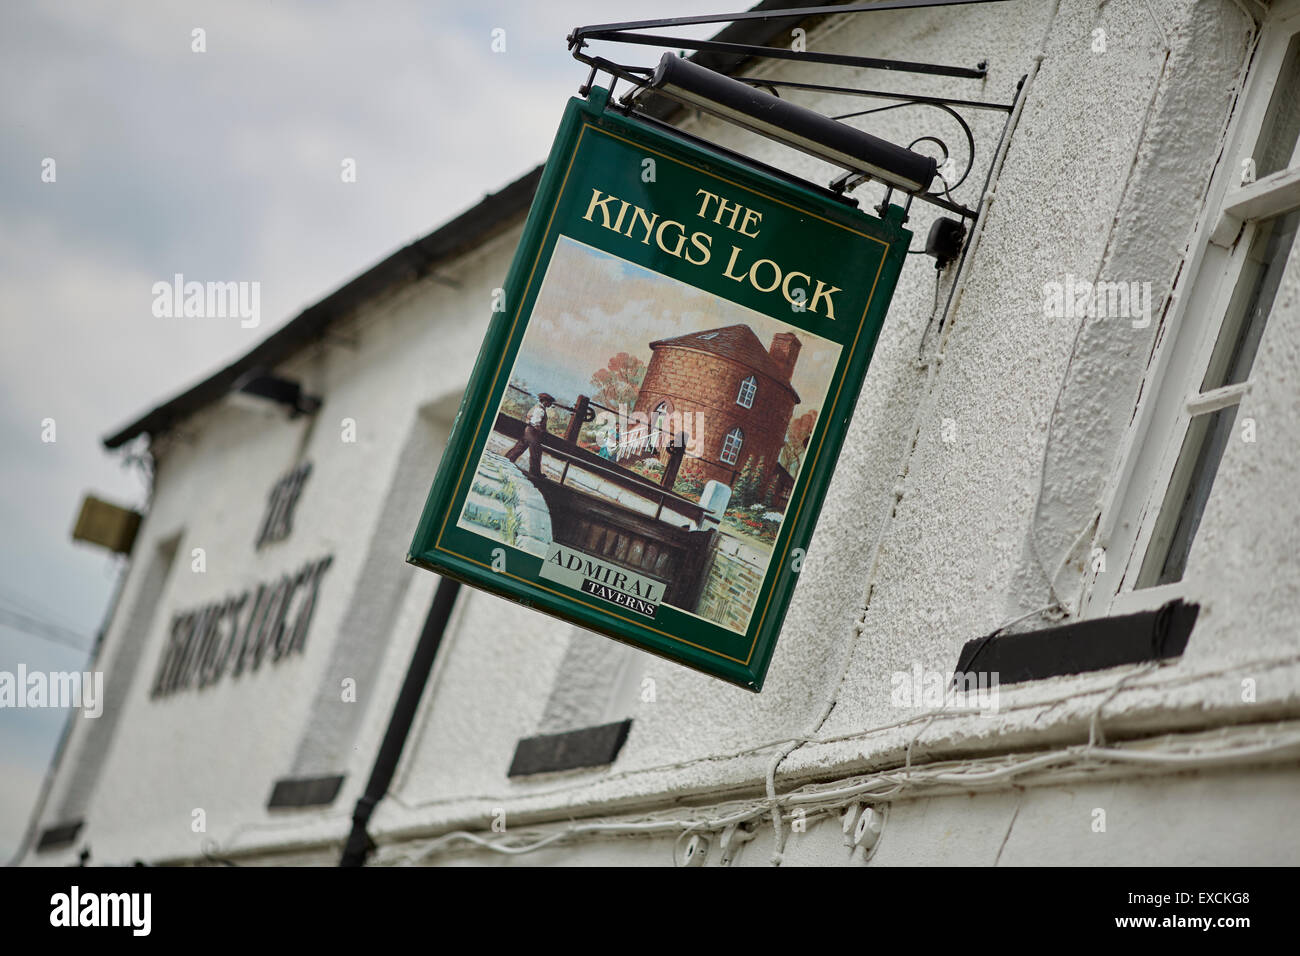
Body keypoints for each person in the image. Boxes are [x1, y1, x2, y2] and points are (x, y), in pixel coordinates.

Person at [505, 392, 554, 478]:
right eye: (550, 402)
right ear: (545, 401)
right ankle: (535, 473)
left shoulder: (537, 407)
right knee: (536, 452)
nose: (550, 404)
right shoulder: (540, 410)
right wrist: (541, 431)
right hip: (533, 432)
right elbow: (535, 423)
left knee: (520, 446)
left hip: (529, 430)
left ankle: (507, 459)